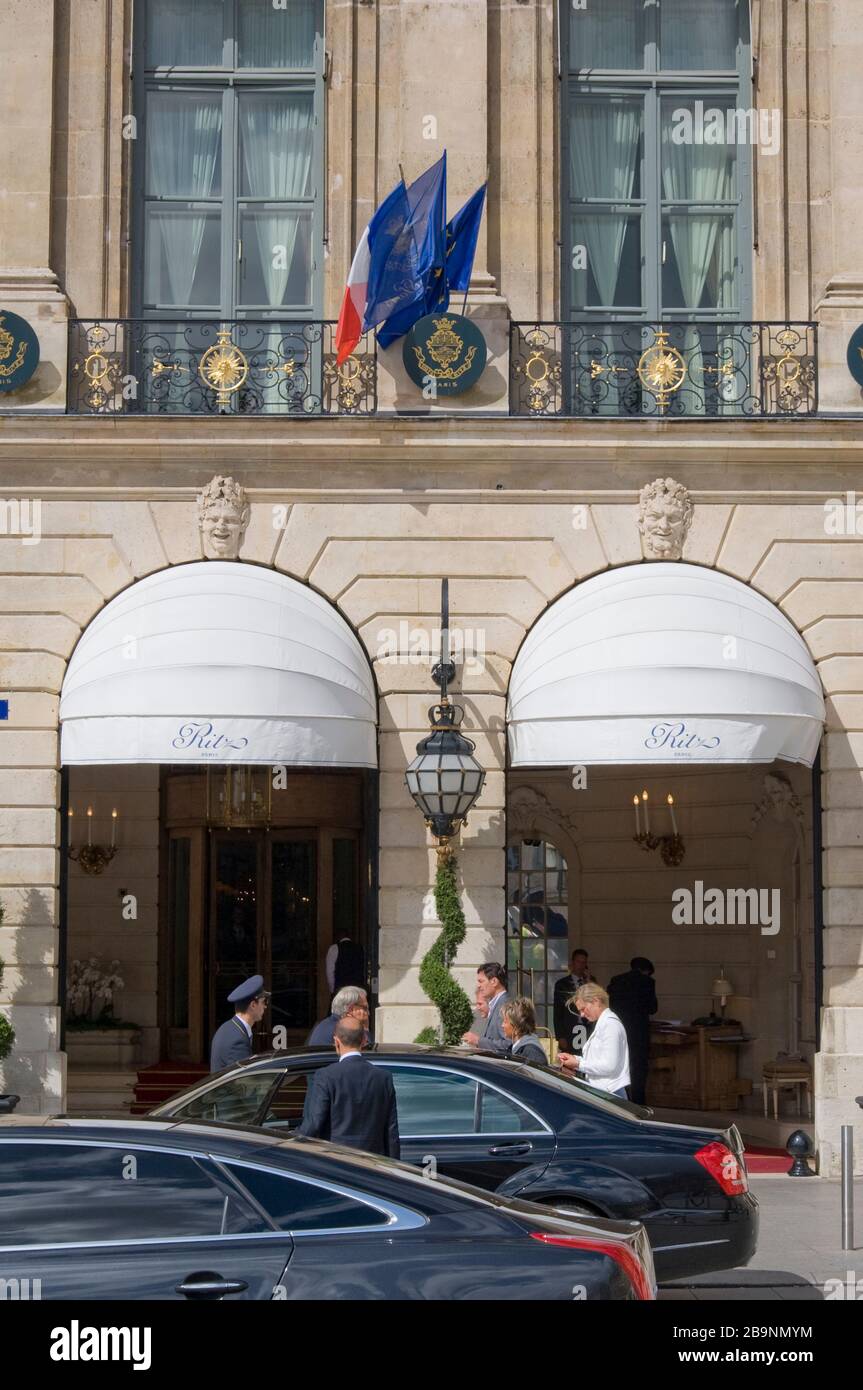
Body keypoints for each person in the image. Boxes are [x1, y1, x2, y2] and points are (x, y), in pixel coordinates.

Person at [298, 1018, 400, 1157]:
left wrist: (287, 1140)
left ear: (336, 1041)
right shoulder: (383, 1078)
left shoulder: (325, 1076)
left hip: (337, 1164)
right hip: (374, 1166)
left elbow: (313, 1125)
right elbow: (391, 1132)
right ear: (364, 1041)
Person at [558, 983, 630, 1098]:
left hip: (611, 1094)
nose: (581, 1014)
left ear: (595, 1001)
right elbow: (599, 1060)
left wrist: (578, 1063)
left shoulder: (610, 1025)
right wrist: (575, 1059)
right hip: (606, 1092)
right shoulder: (605, 1023)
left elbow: (609, 1066)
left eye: (583, 1009)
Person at [608, 956, 658, 1105]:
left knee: (619, 1065)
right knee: (638, 1069)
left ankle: (621, 1100)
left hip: (619, 1030)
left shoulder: (616, 980)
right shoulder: (647, 982)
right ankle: (638, 1102)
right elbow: (653, 1008)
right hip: (638, 1032)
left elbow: (610, 1004)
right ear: (646, 971)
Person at [209, 975, 269, 1073]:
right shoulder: (237, 1040)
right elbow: (244, 1081)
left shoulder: (229, 1027)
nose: (265, 1006)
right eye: (264, 1002)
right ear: (253, 1005)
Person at [553, 948, 595, 1054]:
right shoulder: (562, 984)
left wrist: (589, 981)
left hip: (588, 1029)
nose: (580, 965)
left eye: (583, 963)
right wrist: (560, 1036)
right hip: (570, 1029)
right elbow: (558, 1012)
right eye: (578, 962)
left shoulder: (590, 981)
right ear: (572, 963)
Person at [462, 963, 511, 1053]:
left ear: (494, 982)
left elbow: (509, 1044)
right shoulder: (497, 1004)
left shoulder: (505, 1005)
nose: (478, 985)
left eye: (481, 981)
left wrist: (478, 1041)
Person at [501, 996, 547, 1064]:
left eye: (505, 1022)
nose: (502, 1025)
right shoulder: (518, 1047)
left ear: (517, 1028)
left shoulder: (533, 1053)